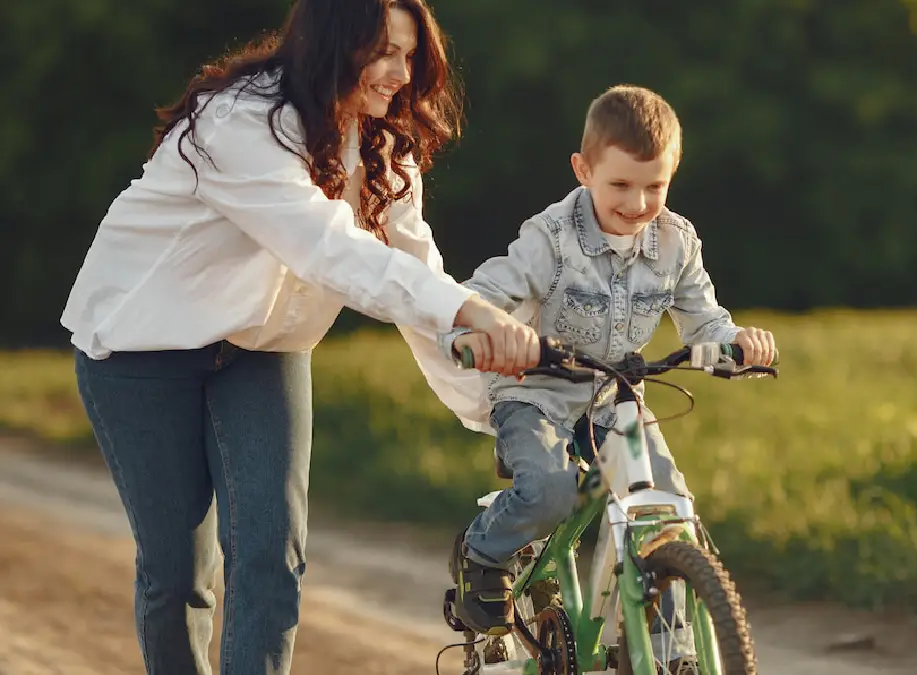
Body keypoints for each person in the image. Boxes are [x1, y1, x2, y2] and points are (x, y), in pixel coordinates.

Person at [60, 1, 538, 673]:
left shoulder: (382, 146)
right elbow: (328, 248)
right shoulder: (242, 121)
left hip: (262, 350)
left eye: (410, 56)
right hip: (143, 349)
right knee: (179, 569)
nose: (400, 74)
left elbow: (413, 280)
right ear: (331, 45)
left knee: (272, 550)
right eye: (383, 52)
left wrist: (495, 408)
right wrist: (471, 312)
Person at [440, 84, 776, 672]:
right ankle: (482, 553)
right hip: (537, 394)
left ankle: (675, 655)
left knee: (670, 509)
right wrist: (482, 329)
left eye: (655, 186)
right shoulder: (551, 237)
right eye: (620, 184)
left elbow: (704, 321)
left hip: (614, 400)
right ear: (583, 169)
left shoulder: (677, 242)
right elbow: (489, 290)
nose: (638, 201)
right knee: (549, 491)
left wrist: (737, 345)